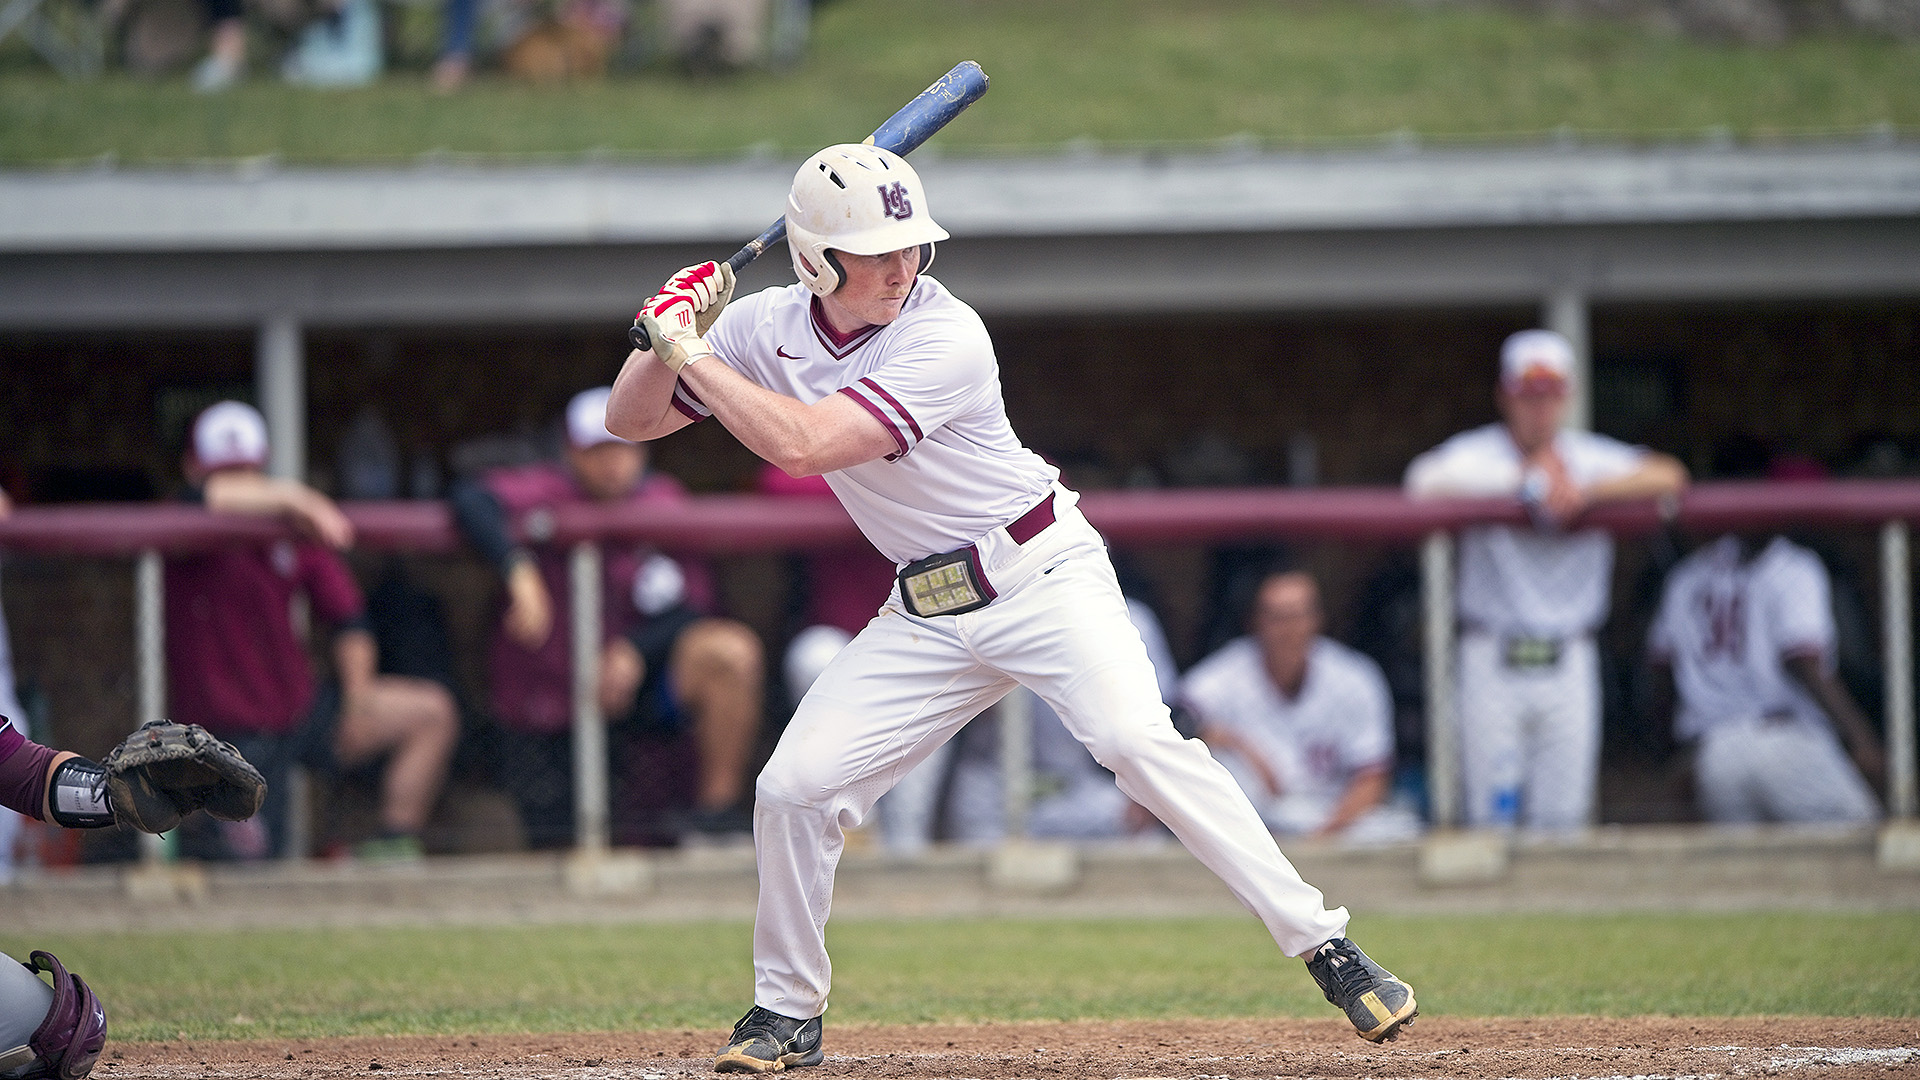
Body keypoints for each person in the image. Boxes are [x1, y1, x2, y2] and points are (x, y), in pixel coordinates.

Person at [607, 143, 1418, 1071]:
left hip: (1040, 572)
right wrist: (662, 334)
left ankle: (1328, 947)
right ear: (815, 262)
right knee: (794, 789)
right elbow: (630, 421)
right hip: (926, 607)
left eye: (911, 245)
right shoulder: (761, 326)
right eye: (875, 252)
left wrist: (689, 347)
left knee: (1135, 741)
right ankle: (786, 1011)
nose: (902, 266)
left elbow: (805, 446)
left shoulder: (947, 333)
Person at [449, 387, 764, 847]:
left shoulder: (663, 500)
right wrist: (518, 570)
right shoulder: (548, 491)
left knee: (729, 651)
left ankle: (714, 818)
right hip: (549, 695)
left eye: (624, 448)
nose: (613, 463)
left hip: (639, 690)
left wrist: (635, 650)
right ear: (571, 452)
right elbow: (470, 499)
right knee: (552, 842)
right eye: (598, 450)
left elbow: (694, 605)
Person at [1404, 330, 1688, 830]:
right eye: (1527, 394)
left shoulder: (1589, 458)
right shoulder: (1480, 453)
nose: (1539, 408)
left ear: (1567, 396)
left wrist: (1587, 491)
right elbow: (1421, 481)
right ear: (1505, 396)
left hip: (1569, 656)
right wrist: (1525, 484)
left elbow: (1670, 475)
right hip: (1491, 656)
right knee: (1489, 820)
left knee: (1562, 823)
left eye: (1550, 394)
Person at [167, 401, 458, 859]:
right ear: (193, 470)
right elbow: (205, 500)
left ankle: (392, 847)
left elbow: (349, 621)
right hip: (223, 732)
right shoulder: (185, 525)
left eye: (247, 470)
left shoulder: (289, 529)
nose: (240, 482)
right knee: (251, 864)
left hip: (297, 709)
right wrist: (298, 498)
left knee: (431, 713)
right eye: (225, 472)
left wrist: (358, 699)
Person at [1646, 534, 1885, 824]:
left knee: (1744, 854)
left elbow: (1662, 674)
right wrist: (1861, 738)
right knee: (1863, 840)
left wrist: (1668, 754)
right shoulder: (1793, 565)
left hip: (1714, 753)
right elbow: (1803, 661)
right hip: (1785, 743)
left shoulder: (1688, 574)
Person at [1179, 570, 1420, 843]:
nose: (1288, 629)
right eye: (1277, 617)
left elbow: (1372, 775)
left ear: (1317, 619)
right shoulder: (1227, 672)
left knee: (1399, 828)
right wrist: (1238, 744)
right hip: (1253, 820)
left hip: (1330, 816)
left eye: (1298, 616)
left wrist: (1321, 839)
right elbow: (1176, 721)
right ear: (1255, 622)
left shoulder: (1354, 677)